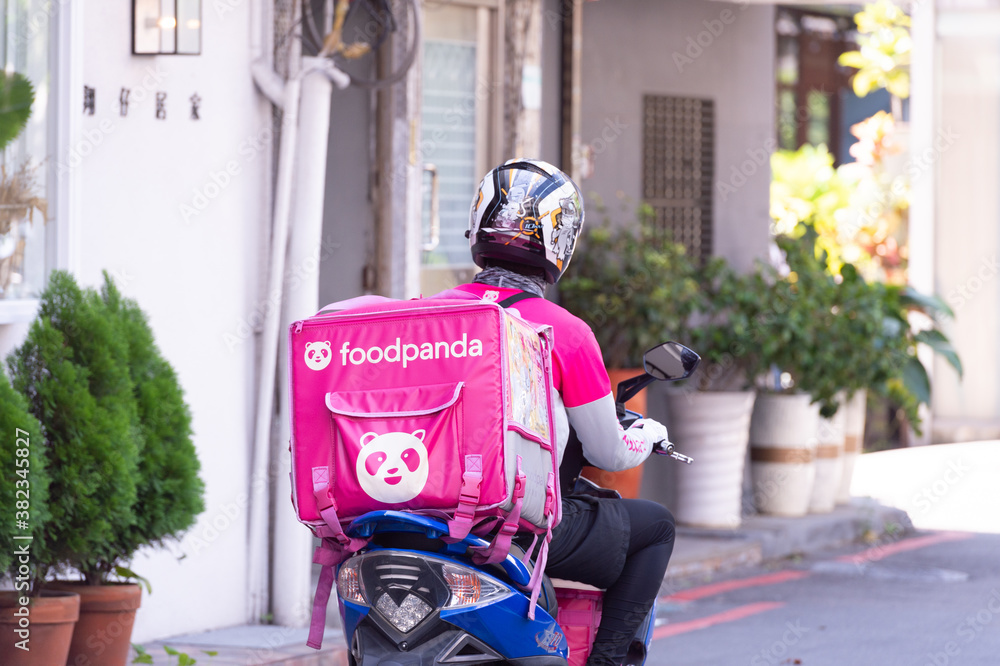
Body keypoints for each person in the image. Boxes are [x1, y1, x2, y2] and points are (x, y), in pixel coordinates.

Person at [431, 159, 676, 666]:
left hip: (424, 514)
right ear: (559, 239)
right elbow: (608, 450)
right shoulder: (564, 330)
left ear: (478, 222)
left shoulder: (428, 314)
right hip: (511, 525)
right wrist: (646, 436)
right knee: (655, 528)